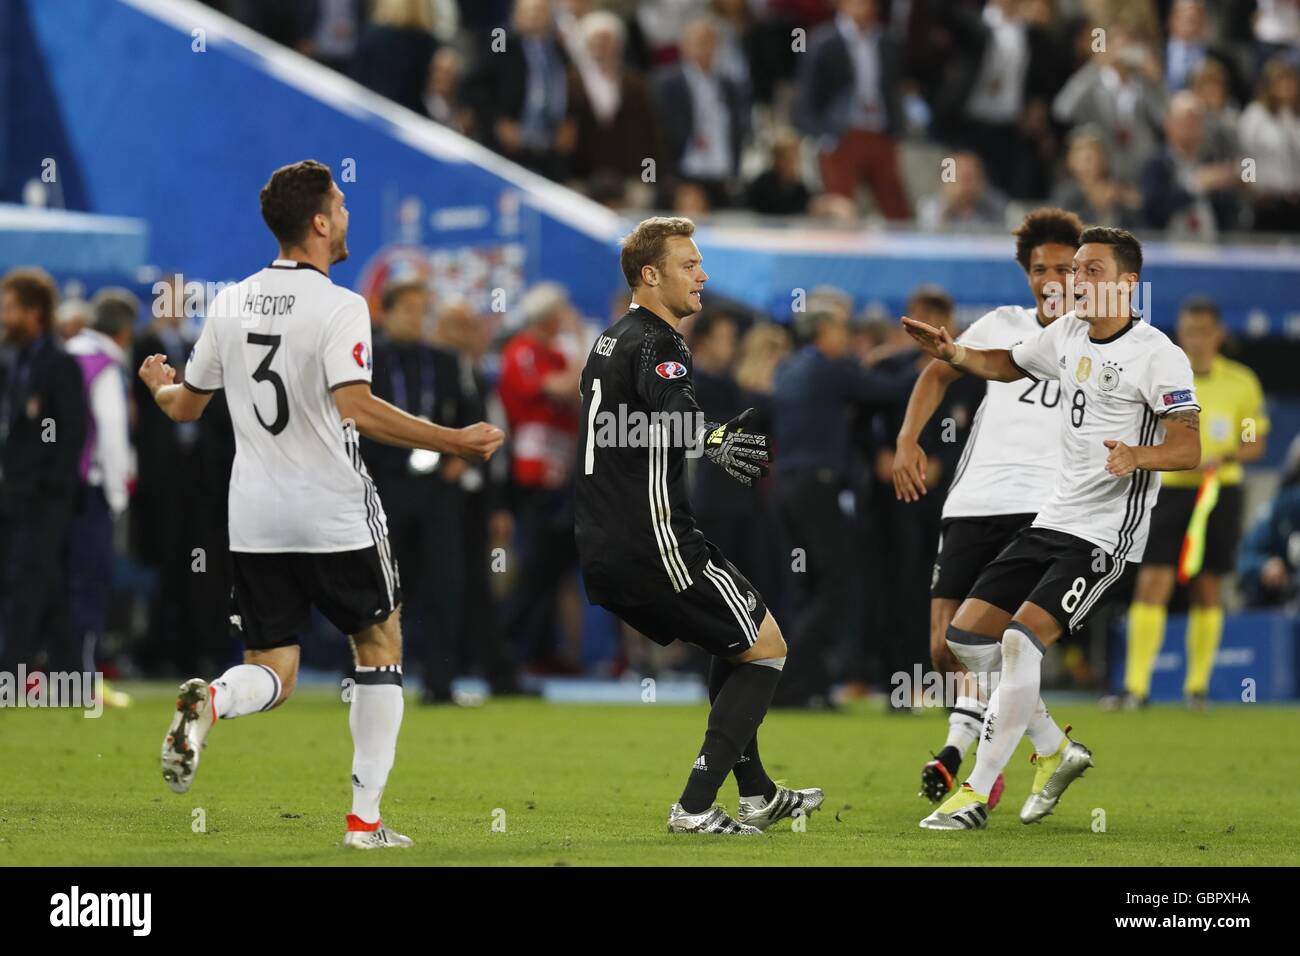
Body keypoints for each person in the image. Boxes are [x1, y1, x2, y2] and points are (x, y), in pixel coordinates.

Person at [138, 160, 503, 849]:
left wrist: (158, 383)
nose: (346, 215)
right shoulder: (339, 306)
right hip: (333, 510)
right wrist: (452, 438)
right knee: (379, 642)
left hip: (254, 517)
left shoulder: (232, 301)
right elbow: (356, 408)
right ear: (317, 221)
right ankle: (364, 823)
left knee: (273, 665)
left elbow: (185, 407)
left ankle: (211, 699)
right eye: (339, 204)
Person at [903, 227, 1201, 829]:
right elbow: (1007, 365)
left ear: (1127, 284)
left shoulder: (1158, 353)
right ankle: (1056, 750)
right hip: (1053, 518)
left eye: (1092, 272)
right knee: (964, 642)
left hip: (1105, 533)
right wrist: (954, 354)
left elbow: (1189, 445)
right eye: (1075, 271)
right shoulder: (1064, 334)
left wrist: (1138, 457)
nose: (1076, 282)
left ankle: (976, 793)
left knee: (1017, 643)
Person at [575, 216, 822, 834]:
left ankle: (758, 792)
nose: (703, 275)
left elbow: (632, 426)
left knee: (733, 642)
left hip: (606, 541)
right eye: (690, 264)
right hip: (654, 537)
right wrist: (711, 435)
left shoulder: (608, 340)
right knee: (767, 648)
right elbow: (676, 408)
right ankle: (692, 805)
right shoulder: (659, 342)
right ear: (650, 275)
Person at [893, 208, 1082, 806]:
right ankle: (1009, 745)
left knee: (999, 643)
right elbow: (938, 373)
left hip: (1044, 507)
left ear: (1083, 272)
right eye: (1038, 267)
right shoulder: (1004, 323)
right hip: (973, 500)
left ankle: (973, 755)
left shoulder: (1100, 340)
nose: (1049, 277)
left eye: (1062, 267)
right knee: (943, 648)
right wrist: (907, 439)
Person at [1117, 297, 1267, 709]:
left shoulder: (1242, 383)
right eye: (1188, 331)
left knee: (1208, 584)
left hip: (1219, 491)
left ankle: (1196, 688)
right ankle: (1136, 688)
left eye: (1203, 331)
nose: (1195, 340)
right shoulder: (1164, 376)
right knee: (1153, 580)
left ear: (1218, 334)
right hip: (1167, 489)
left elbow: (1254, 440)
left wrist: (1230, 455)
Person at [363, 279, 473, 705]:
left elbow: (471, 418)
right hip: (383, 488)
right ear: (386, 313)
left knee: (442, 585)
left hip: (435, 491)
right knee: (379, 588)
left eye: (421, 309)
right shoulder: (368, 359)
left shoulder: (445, 362)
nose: (415, 317)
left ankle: (440, 684)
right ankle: (367, 680)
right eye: (406, 308)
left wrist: (457, 463)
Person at [0, 268, 87, 675]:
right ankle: (71, 667)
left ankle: (10, 670)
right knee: (44, 584)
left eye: (9, 307)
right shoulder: (11, 360)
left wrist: (47, 483)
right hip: (12, 492)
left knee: (25, 581)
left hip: (43, 497)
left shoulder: (59, 365)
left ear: (34, 312)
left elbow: (68, 433)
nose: (3, 315)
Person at [65, 288, 136, 695]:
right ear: (124, 330)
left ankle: (47, 671)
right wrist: (116, 494)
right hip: (90, 488)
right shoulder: (104, 363)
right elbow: (110, 433)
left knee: (55, 580)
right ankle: (82, 676)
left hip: (50, 488)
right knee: (90, 579)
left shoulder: (65, 351)